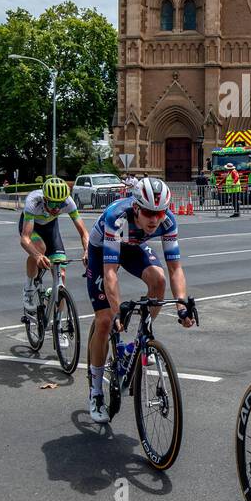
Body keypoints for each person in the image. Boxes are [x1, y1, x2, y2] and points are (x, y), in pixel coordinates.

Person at [85, 176, 196, 423]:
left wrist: (181, 305)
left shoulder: (167, 221)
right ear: (136, 208)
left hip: (133, 247)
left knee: (158, 281)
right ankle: (95, 392)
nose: (154, 219)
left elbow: (175, 268)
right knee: (104, 321)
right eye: (148, 212)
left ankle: (140, 340)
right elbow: (110, 272)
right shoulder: (117, 217)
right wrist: (116, 312)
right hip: (102, 249)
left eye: (160, 212)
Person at [19, 177, 89, 315]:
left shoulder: (69, 202)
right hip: (32, 227)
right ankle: (28, 288)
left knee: (61, 276)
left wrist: (87, 250)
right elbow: (24, 238)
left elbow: (84, 232)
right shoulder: (33, 201)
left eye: (60, 204)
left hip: (51, 229)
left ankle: (59, 324)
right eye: (52, 204)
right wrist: (38, 256)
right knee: (39, 248)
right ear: (45, 199)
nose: (57, 208)